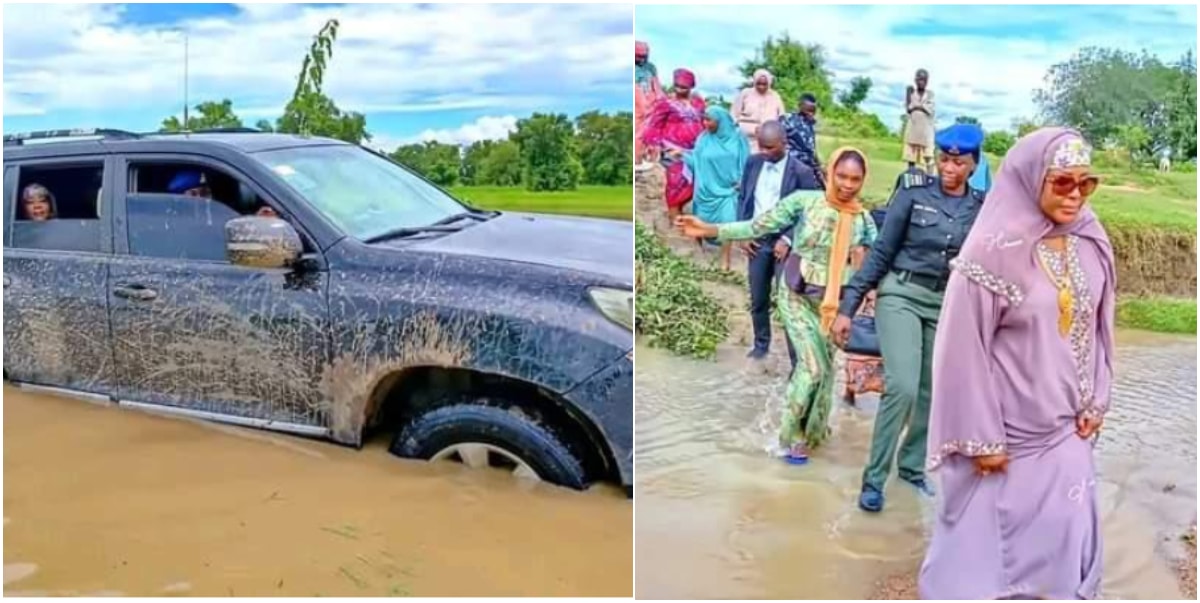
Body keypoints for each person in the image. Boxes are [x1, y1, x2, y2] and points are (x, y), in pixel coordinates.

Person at [918, 127, 1113, 600]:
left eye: (1085, 184)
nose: (1075, 196)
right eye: (1062, 182)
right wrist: (982, 437)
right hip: (1008, 433)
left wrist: (1098, 399)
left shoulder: (1090, 239)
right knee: (985, 551)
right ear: (1031, 179)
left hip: (1067, 427)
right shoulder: (993, 250)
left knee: (1065, 530)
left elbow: (1101, 326)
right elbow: (961, 349)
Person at [676, 148, 877, 463]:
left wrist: (867, 298)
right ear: (829, 172)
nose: (848, 185)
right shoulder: (805, 201)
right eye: (842, 176)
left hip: (835, 307)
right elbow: (759, 226)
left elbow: (873, 263)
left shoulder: (863, 220)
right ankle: (788, 440)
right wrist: (711, 229)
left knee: (826, 376)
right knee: (810, 370)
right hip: (796, 297)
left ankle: (813, 434)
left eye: (855, 179)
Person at [831, 123, 987, 513]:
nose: (950, 168)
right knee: (901, 386)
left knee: (930, 391)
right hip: (901, 293)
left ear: (974, 164)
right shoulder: (913, 196)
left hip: (946, 304)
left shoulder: (982, 208)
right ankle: (874, 479)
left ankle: (912, 468)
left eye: (959, 162)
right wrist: (847, 307)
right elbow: (882, 252)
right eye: (945, 160)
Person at [737, 120, 821, 360]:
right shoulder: (753, 163)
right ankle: (761, 346)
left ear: (784, 144)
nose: (764, 152)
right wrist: (743, 232)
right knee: (758, 298)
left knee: (788, 303)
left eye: (770, 148)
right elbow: (744, 198)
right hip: (757, 241)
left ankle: (797, 361)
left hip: (786, 246)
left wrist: (788, 238)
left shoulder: (801, 172)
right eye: (761, 146)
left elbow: (810, 212)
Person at [671, 106, 750, 271]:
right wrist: (682, 155)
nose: (705, 123)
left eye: (709, 120)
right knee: (700, 221)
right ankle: (698, 254)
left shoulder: (737, 138)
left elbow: (746, 161)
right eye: (704, 119)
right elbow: (696, 159)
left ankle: (725, 259)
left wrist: (743, 181)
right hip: (706, 190)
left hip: (728, 189)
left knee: (727, 223)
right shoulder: (703, 138)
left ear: (720, 121)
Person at [642, 68, 707, 221]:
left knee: (694, 183)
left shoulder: (698, 103)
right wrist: (654, 145)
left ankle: (681, 210)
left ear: (691, 87)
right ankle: (674, 215)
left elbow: (705, 122)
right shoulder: (666, 103)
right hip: (672, 148)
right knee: (676, 181)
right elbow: (654, 125)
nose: (679, 90)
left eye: (684, 87)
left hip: (695, 150)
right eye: (677, 86)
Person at [731, 69, 784, 154]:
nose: (761, 87)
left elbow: (782, 117)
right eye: (758, 84)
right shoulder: (746, 93)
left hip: (767, 142)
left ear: (769, 83)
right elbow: (733, 115)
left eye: (764, 84)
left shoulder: (775, 96)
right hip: (745, 140)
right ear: (754, 82)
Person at [781, 93, 824, 187]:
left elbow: (811, 149)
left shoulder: (810, 124)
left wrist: (819, 165)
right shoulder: (788, 119)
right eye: (808, 111)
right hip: (790, 165)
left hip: (807, 166)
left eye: (813, 111)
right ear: (800, 106)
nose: (811, 114)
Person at [634, 41, 664, 167]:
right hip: (638, 108)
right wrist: (644, 107)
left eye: (643, 56)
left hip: (651, 105)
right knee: (639, 135)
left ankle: (653, 163)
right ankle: (637, 162)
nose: (641, 59)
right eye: (638, 56)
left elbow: (657, 86)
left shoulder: (651, 67)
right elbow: (636, 90)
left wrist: (662, 102)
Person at [903, 69, 936, 173]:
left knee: (929, 157)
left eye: (924, 80)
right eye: (920, 79)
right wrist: (908, 95)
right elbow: (908, 109)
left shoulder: (930, 94)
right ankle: (911, 177)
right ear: (915, 80)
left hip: (926, 131)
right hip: (913, 128)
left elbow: (929, 110)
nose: (922, 82)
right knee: (911, 158)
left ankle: (931, 179)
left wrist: (917, 106)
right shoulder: (912, 93)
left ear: (927, 81)